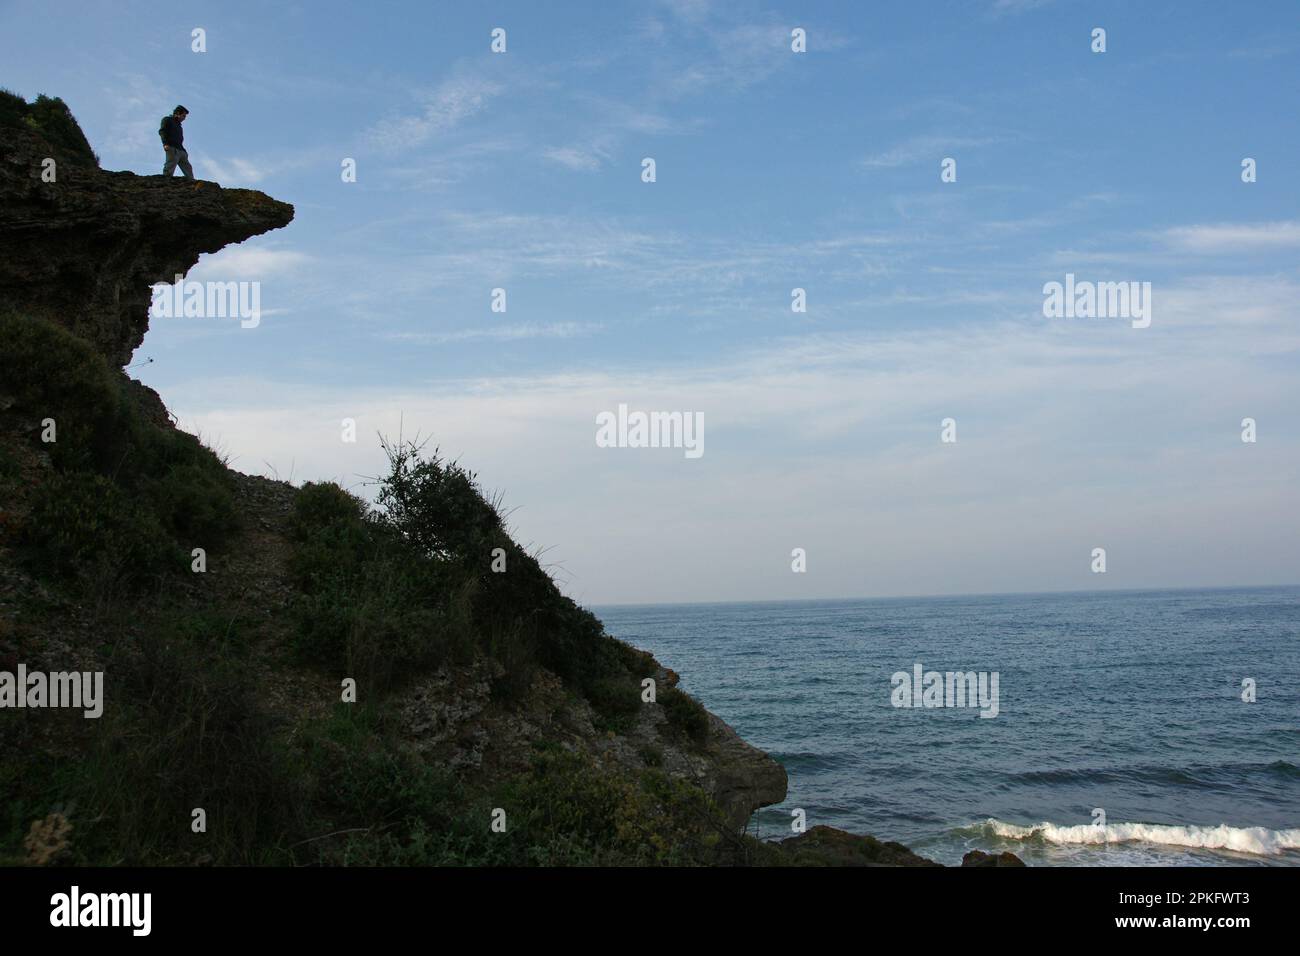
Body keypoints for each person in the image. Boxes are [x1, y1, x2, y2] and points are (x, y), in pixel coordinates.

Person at [159, 105, 194, 180]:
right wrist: (165, 144)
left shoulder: (179, 126)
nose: (184, 118)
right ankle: (166, 181)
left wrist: (184, 151)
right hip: (171, 147)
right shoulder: (167, 120)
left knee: (188, 167)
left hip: (181, 150)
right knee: (170, 165)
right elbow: (162, 131)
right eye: (183, 116)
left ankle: (192, 182)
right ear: (178, 113)